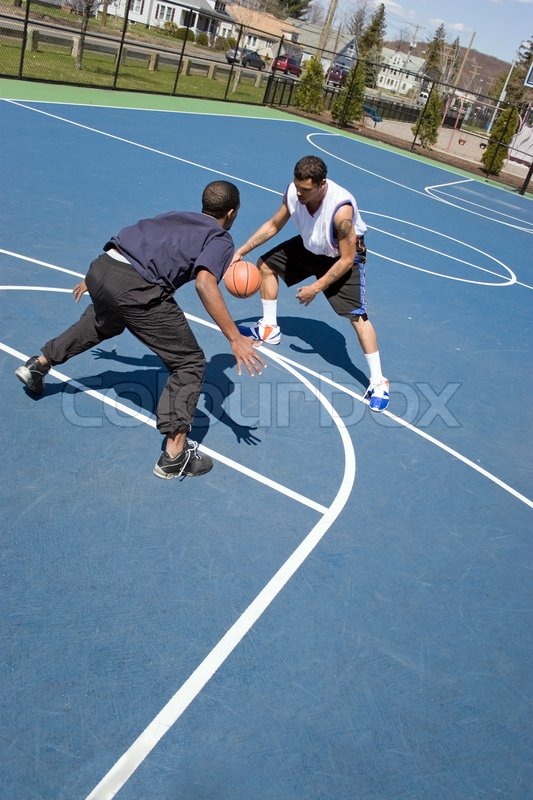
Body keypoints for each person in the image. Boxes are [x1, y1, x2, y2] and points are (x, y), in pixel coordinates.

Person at [15, 181, 266, 478]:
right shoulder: (220, 237)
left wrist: (99, 281)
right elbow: (204, 282)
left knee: (101, 323)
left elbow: (131, 244)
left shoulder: (176, 216)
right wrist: (235, 338)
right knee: (189, 362)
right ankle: (174, 455)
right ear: (232, 212)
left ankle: (39, 364)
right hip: (135, 287)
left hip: (104, 266)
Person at [232, 155, 389, 412]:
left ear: (322, 184)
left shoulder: (341, 213)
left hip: (339, 256)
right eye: (297, 187)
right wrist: (242, 250)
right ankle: (270, 328)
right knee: (265, 265)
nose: (300, 193)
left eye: (306, 189)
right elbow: (273, 224)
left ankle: (378, 381)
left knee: (357, 317)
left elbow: (348, 259)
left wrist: (316, 288)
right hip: (311, 247)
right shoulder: (294, 193)